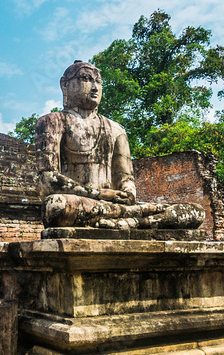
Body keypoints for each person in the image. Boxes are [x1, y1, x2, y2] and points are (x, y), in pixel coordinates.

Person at [35, 61, 204, 229]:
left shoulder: (116, 129)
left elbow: (125, 178)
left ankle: (132, 222)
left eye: (98, 81)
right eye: (86, 79)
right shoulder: (53, 121)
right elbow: (47, 179)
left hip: (114, 206)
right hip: (83, 202)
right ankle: (131, 223)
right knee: (56, 205)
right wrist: (98, 195)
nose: (94, 88)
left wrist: (128, 193)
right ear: (64, 84)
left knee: (195, 212)